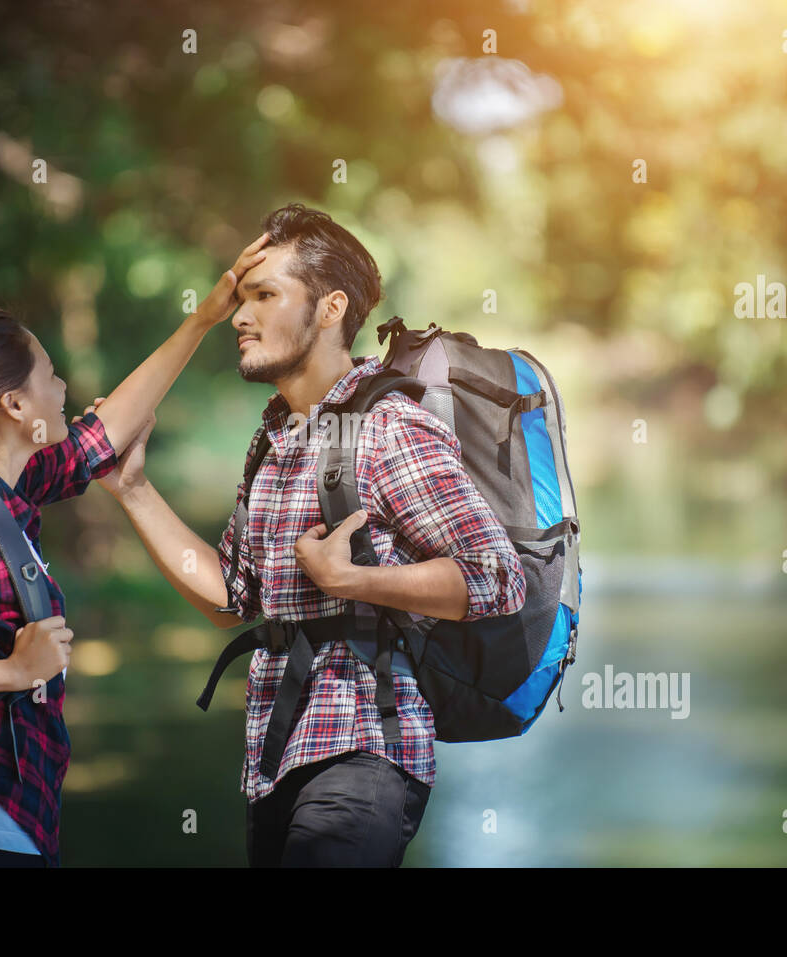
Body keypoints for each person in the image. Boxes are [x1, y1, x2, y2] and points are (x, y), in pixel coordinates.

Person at [96, 204, 525, 866]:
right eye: (241, 298)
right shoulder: (272, 437)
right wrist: (133, 490)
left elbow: (499, 577)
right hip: (274, 760)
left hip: (365, 753)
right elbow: (232, 599)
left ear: (330, 309)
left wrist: (353, 580)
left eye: (264, 296)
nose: (240, 317)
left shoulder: (389, 426)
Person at [0, 233, 268, 867]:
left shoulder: (6, 488)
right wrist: (12, 672)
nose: (64, 387)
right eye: (50, 374)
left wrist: (203, 319)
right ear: (14, 405)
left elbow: (103, 437)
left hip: (4, 815)